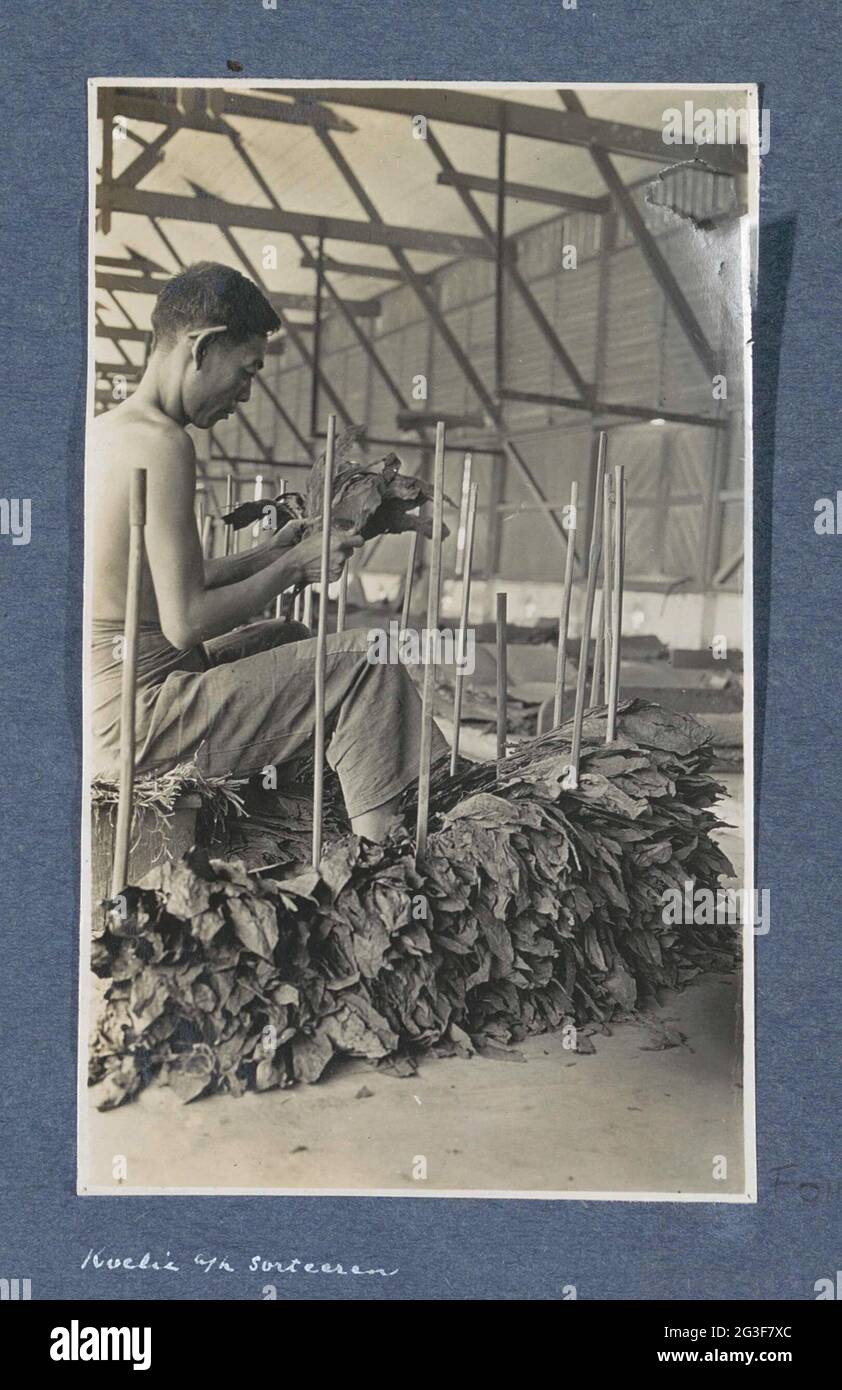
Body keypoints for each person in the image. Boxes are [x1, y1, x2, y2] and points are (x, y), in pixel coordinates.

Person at [89, 261, 446, 841]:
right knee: (367, 659)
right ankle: (386, 857)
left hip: (114, 701)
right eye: (246, 370)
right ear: (200, 347)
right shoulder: (163, 444)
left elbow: (159, 585)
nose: (246, 395)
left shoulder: (112, 430)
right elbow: (186, 624)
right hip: (140, 723)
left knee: (286, 638)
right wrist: (294, 568)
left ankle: (330, 810)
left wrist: (269, 552)